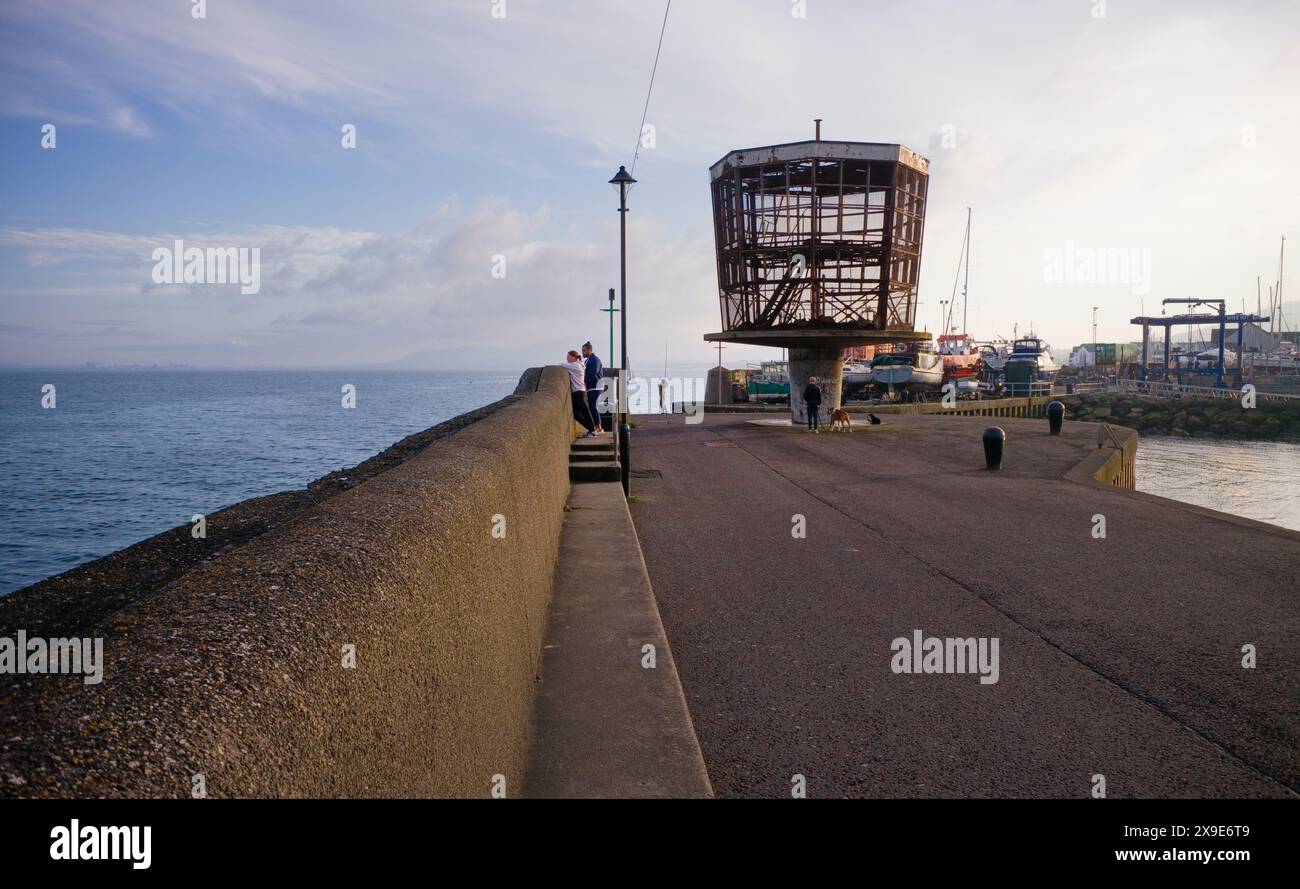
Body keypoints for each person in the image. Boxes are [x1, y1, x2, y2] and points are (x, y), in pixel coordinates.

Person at [564, 350, 596, 437]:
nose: (567, 359)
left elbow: (560, 366)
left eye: (568, 357)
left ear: (573, 357)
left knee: (583, 412)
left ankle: (592, 430)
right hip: (580, 391)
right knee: (579, 413)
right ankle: (591, 430)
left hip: (578, 392)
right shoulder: (579, 365)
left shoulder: (575, 365)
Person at [581, 342, 604, 432]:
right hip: (593, 387)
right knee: (592, 406)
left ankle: (598, 427)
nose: (583, 352)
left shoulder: (595, 360)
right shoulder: (588, 360)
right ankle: (597, 426)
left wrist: (583, 381)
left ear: (590, 350)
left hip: (596, 387)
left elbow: (593, 374)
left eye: (584, 351)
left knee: (593, 406)